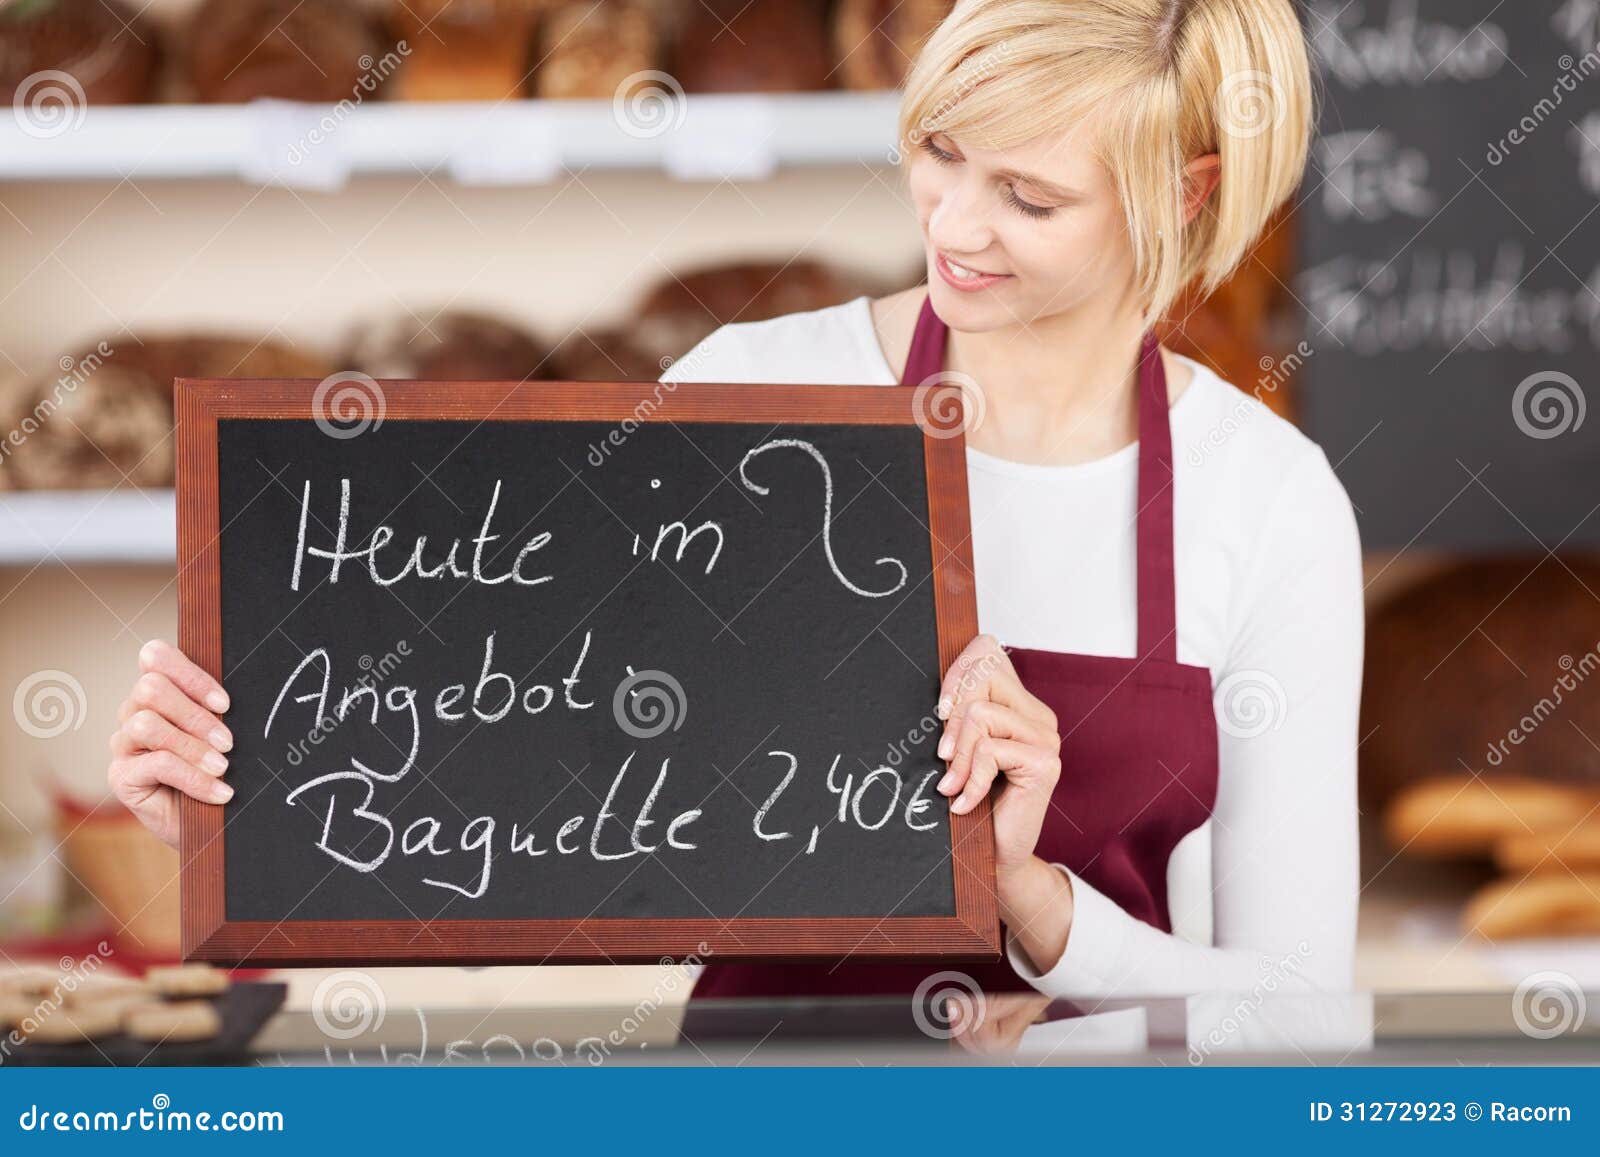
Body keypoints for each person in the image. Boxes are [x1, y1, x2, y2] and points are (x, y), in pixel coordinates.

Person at [109, 0, 1361, 1002]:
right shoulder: (753, 388)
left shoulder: (1264, 495)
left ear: (1185, 195)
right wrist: (254, 831)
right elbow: (540, 822)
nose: (955, 225)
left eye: (1029, 198)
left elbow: (1299, 1004)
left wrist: (1034, 901)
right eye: (938, 152)